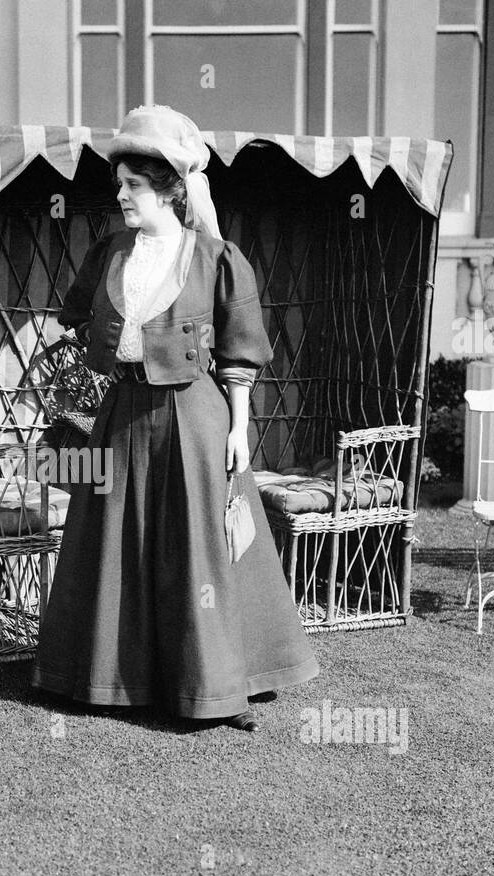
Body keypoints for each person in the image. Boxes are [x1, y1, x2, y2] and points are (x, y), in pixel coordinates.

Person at [30, 105, 319, 731]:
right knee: (111, 540)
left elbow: (242, 349)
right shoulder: (111, 253)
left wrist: (240, 429)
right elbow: (79, 320)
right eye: (120, 183)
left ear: (169, 188)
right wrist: (91, 378)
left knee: (200, 549)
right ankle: (107, 676)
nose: (121, 194)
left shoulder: (215, 257)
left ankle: (215, 684)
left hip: (196, 417)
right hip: (122, 416)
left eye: (133, 184)